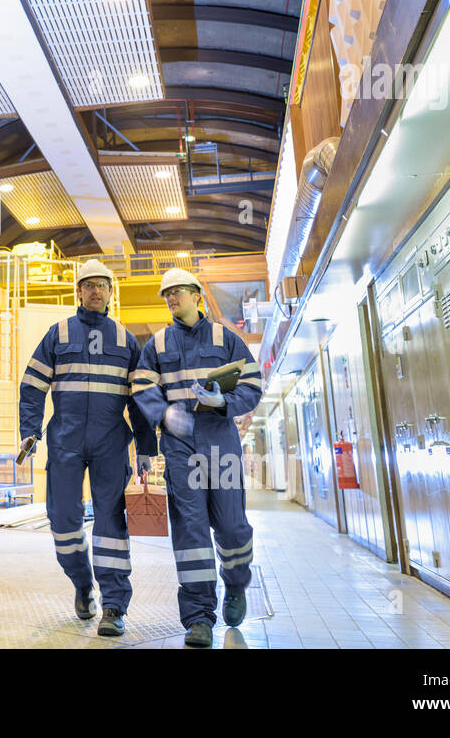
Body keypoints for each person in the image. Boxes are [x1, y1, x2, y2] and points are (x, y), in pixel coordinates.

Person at [18, 259, 157, 637]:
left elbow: (140, 399)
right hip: (65, 438)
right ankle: (82, 584)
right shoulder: (58, 334)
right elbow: (32, 385)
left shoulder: (126, 340)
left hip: (110, 442)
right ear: (78, 291)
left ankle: (113, 605)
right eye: (89, 285)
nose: (96, 291)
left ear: (111, 292)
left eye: (102, 285)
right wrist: (29, 431)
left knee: (111, 525)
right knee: (63, 519)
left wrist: (146, 446)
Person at [130, 268, 263, 648]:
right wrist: (163, 412)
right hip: (179, 445)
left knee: (233, 527)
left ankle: (236, 586)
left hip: (220, 440)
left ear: (196, 295)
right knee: (191, 532)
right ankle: (199, 618)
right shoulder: (156, 344)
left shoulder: (226, 338)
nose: (172, 299)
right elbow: (141, 385)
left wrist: (225, 402)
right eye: (167, 294)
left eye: (179, 292)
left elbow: (253, 382)